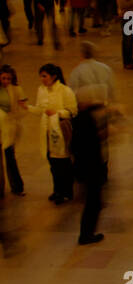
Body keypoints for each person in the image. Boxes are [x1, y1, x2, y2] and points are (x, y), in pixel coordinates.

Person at [30, 63, 77, 203]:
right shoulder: (41, 90)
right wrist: (27, 107)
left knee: (63, 164)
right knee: (53, 165)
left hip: (60, 132)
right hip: (47, 131)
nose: (42, 79)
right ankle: (57, 190)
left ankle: (67, 192)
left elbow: (72, 111)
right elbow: (40, 109)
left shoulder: (65, 91)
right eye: (41, 76)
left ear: (54, 76)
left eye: (45, 76)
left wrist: (57, 113)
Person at [70, 99, 109, 244]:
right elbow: (91, 148)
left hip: (84, 169)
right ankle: (86, 235)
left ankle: (87, 233)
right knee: (93, 203)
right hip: (90, 169)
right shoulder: (86, 122)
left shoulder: (81, 119)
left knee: (93, 202)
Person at [0, 64, 26, 196]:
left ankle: (17, 186)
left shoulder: (17, 89)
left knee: (10, 157)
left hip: (9, 127)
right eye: (3, 78)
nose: (5, 81)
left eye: (8, 79)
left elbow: (22, 108)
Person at [67, 41, 117, 109]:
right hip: (103, 104)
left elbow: (72, 93)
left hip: (85, 107)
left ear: (82, 54)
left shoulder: (77, 71)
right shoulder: (105, 68)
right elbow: (111, 89)